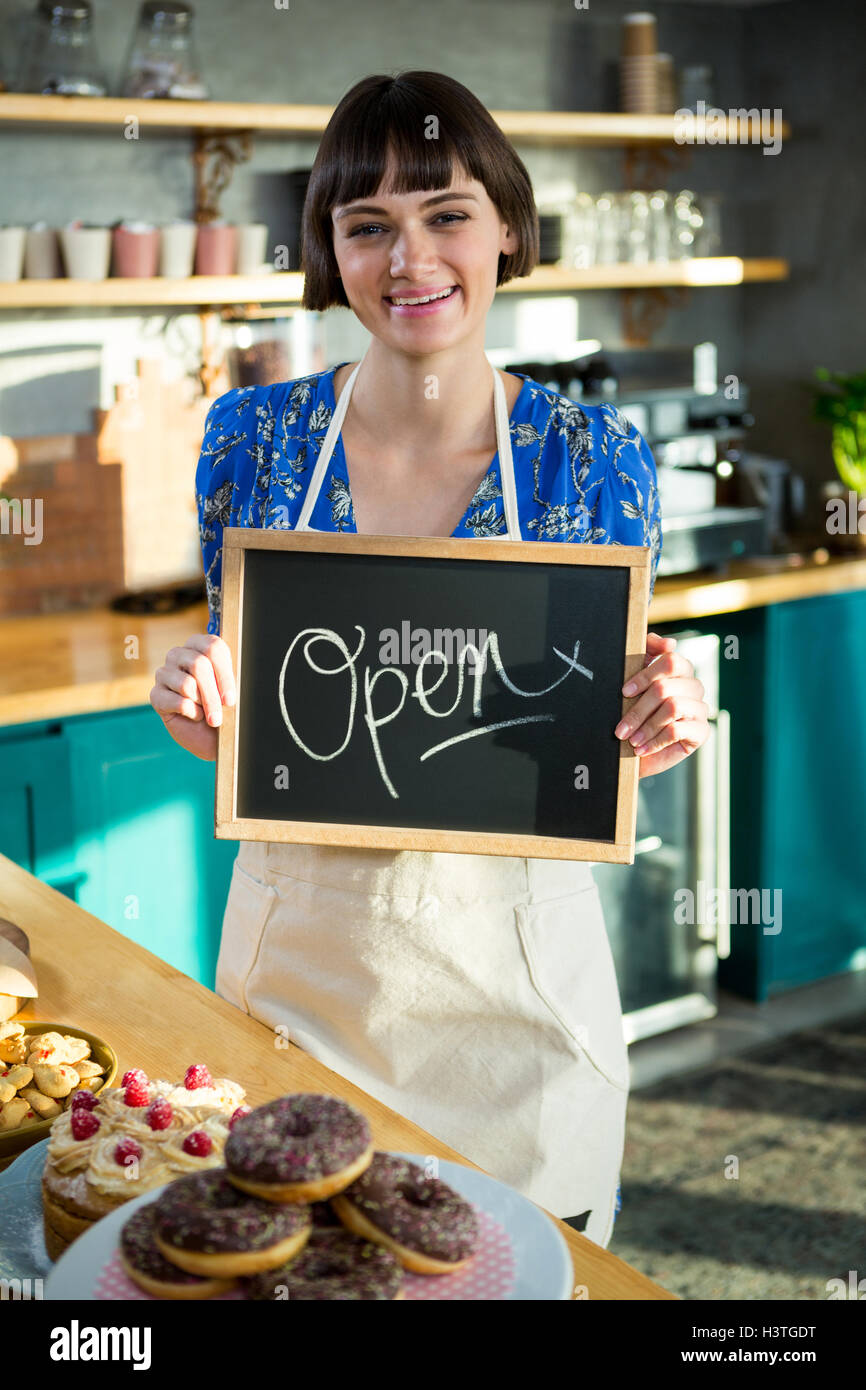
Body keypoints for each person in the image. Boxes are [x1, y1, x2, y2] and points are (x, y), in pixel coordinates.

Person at [150, 70, 710, 1249]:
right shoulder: (249, 441)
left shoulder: (589, 456)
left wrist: (661, 711)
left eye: (444, 212)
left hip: (517, 1006)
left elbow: (591, 737)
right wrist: (198, 696)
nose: (409, 260)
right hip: (299, 991)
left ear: (505, 224)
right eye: (368, 225)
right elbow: (245, 688)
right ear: (331, 251)